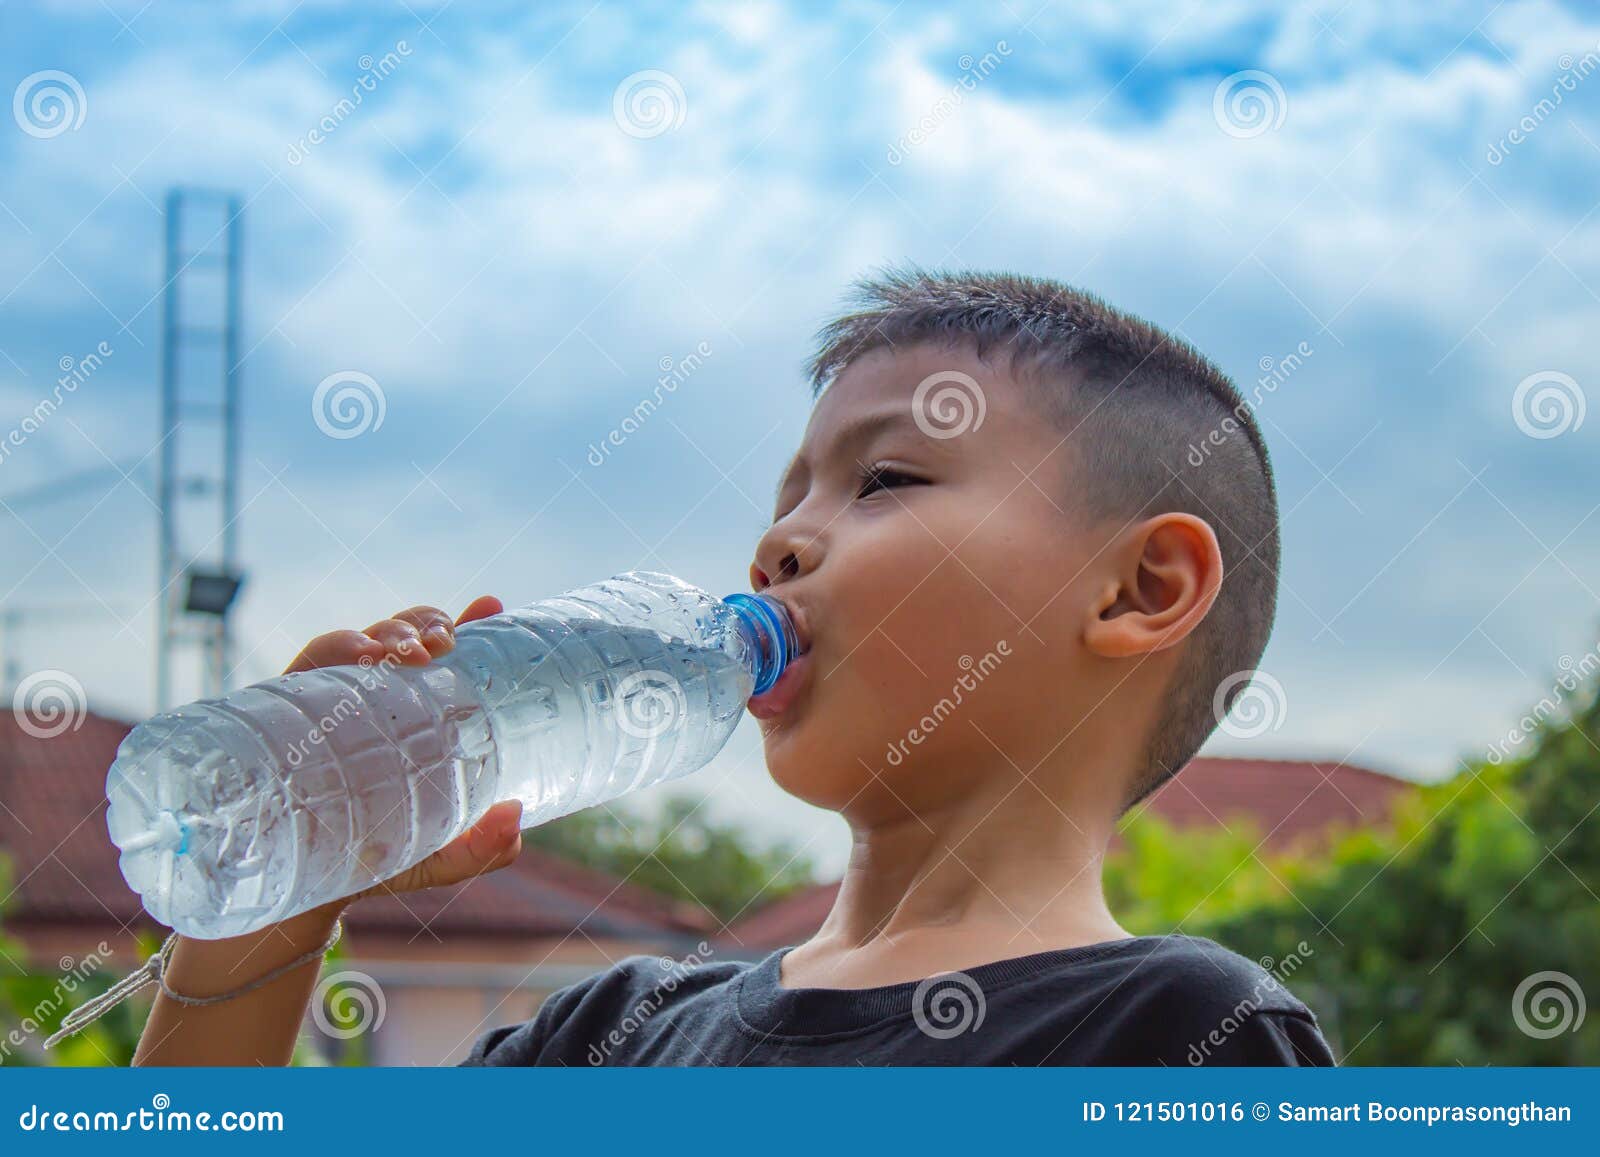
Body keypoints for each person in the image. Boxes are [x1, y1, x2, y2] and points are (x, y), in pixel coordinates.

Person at [132, 268, 1334, 1066]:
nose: (778, 544)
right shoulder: (609, 1034)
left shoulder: (1177, 1032)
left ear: (1140, 588)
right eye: (785, 501)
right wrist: (294, 872)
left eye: (883, 479)